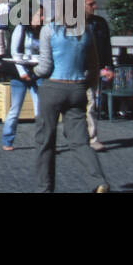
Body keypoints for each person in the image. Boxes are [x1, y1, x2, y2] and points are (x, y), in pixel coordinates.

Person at [33, 10, 110, 193]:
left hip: (53, 87)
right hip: (77, 88)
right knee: (80, 141)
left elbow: (45, 67)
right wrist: (86, 87)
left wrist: (30, 73)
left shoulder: (49, 29)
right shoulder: (87, 30)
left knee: (45, 141)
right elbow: (94, 66)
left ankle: (45, 189)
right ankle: (98, 181)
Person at [3, 6, 44, 151]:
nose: (42, 18)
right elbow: (15, 53)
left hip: (36, 72)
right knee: (15, 108)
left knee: (40, 108)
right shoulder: (20, 29)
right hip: (19, 74)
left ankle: (42, 142)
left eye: (43, 15)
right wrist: (22, 73)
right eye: (39, 15)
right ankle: (8, 140)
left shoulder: (41, 31)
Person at [84, 0, 114, 150]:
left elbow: (107, 48)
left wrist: (108, 67)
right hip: (75, 70)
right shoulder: (71, 24)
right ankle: (78, 135)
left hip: (94, 70)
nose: (95, 6)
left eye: (94, 3)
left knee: (91, 103)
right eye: (90, 4)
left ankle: (92, 137)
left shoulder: (100, 23)